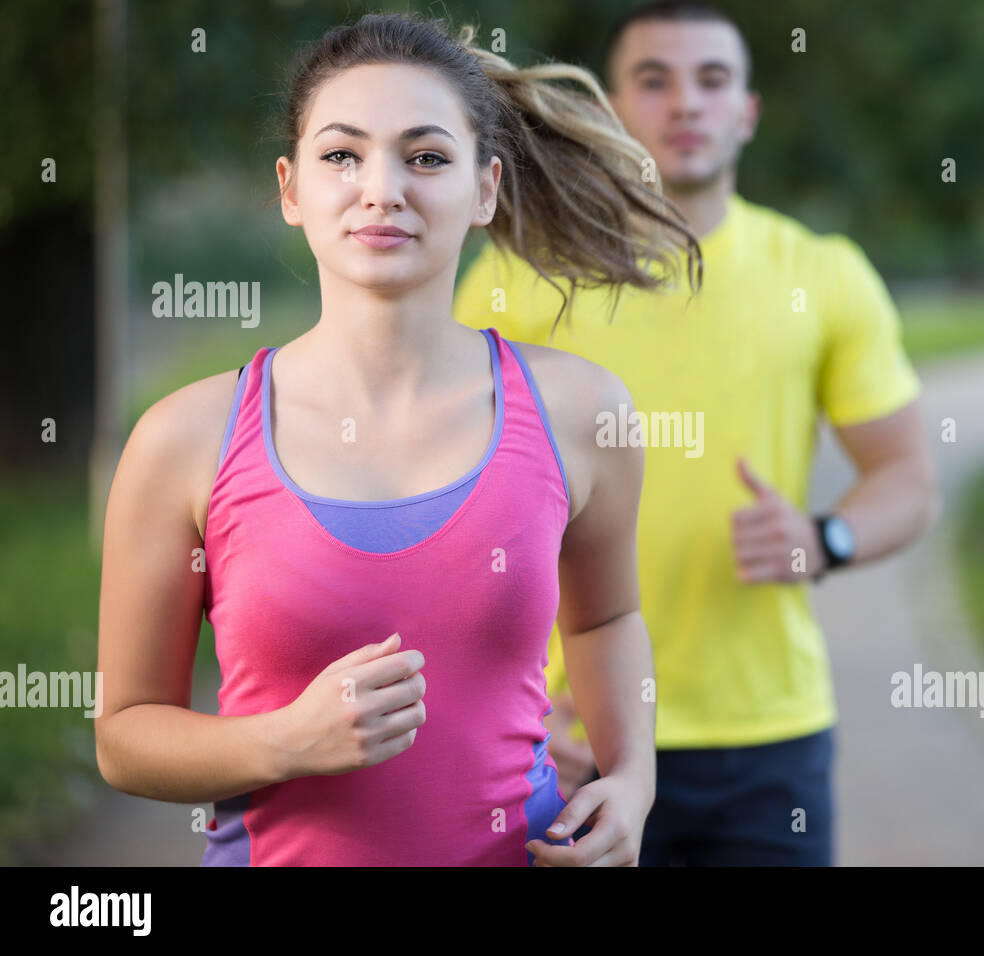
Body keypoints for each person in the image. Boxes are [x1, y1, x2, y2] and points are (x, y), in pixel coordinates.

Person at [93, 11, 703, 867]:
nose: (382, 188)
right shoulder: (184, 439)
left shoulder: (581, 411)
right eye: (342, 155)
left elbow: (606, 619)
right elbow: (124, 736)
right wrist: (282, 742)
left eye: (426, 157)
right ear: (291, 188)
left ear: (484, 189)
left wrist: (633, 781)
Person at [453, 0, 940, 866]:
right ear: (610, 109)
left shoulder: (823, 275)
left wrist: (825, 537)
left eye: (712, 81)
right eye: (655, 79)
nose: (686, 103)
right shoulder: (518, 279)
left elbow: (906, 474)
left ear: (747, 112)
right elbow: (456, 520)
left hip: (767, 738)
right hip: (573, 734)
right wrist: (505, 715)